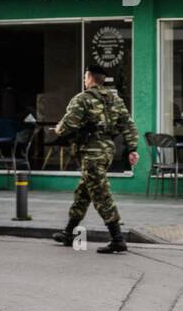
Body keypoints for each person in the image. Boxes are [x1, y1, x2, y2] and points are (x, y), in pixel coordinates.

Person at [51, 64, 138, 253]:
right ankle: (68, 232)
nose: (84, 79)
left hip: (92, 152)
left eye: (85, 76)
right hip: (107, 150)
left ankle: (117, 238)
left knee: (100, 194)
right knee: (84, 192)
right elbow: (128, 125)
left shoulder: (82, 99)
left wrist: (58, 129)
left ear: (90, 78)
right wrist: (132, 148)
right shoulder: (115, 100)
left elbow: (67, 126)